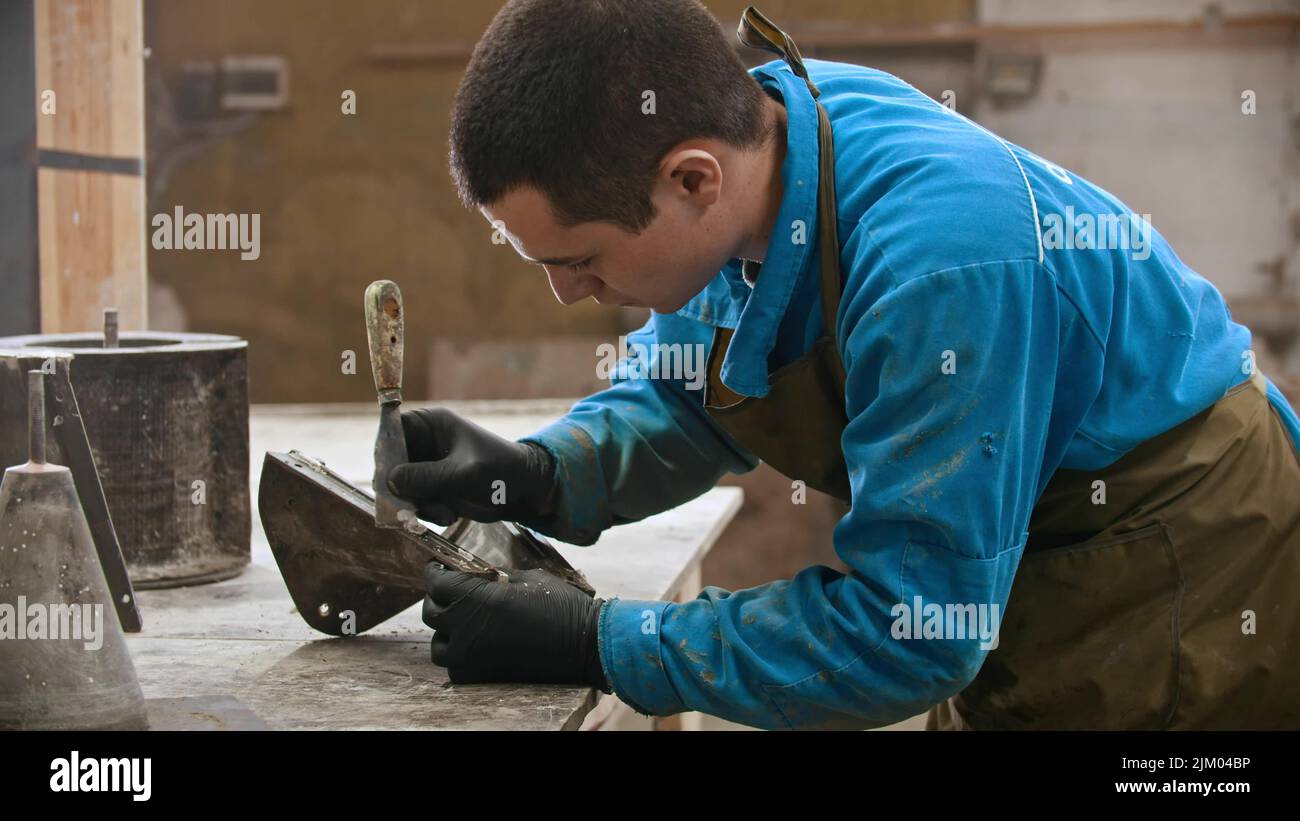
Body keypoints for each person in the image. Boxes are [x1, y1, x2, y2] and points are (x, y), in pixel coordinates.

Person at [387, 0, 1300, 730]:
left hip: (1172, 575)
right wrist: (542, 472)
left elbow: (912, 629)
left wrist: (606, 642)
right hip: (1029, 558)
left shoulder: (940, 270)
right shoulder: (762, 136)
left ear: (693, 179)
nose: (567, 293)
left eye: (579, 258)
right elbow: (701, 388)